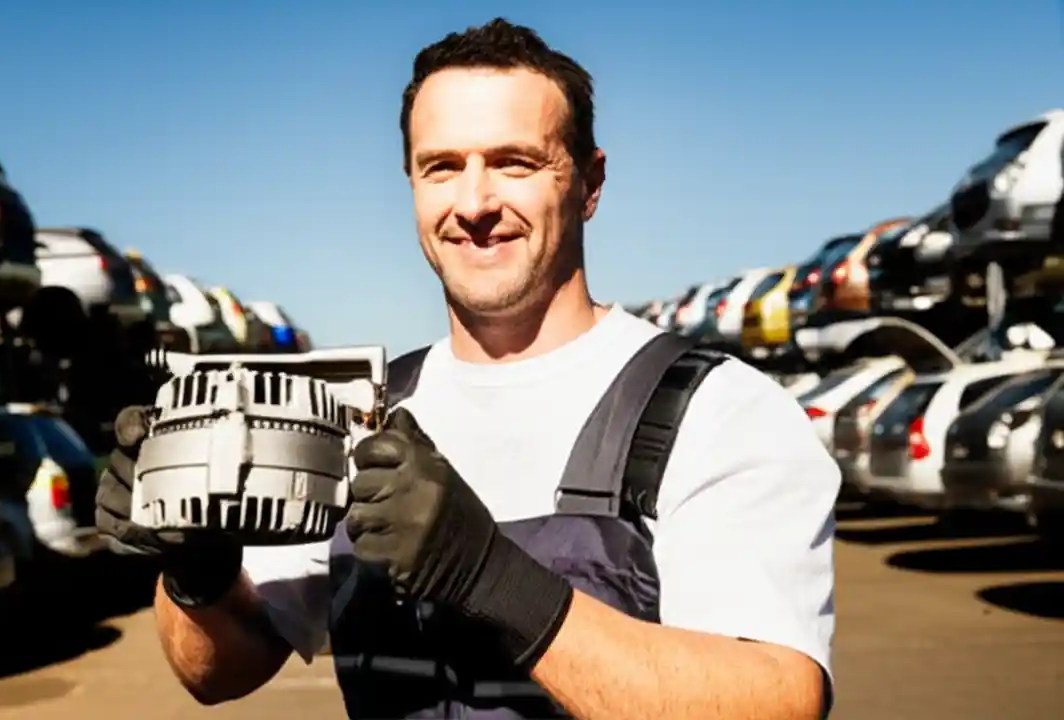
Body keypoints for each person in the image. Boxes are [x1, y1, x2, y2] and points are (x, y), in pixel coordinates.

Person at [96, 17, 839, 719]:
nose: (475, 202)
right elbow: (217, 671)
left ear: (589, 182)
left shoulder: (714, 410)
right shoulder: (357, 416)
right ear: (412, 185)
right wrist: (198, 575)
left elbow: (774, 700)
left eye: (514, 162)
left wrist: (493, 577)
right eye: (441, 168)